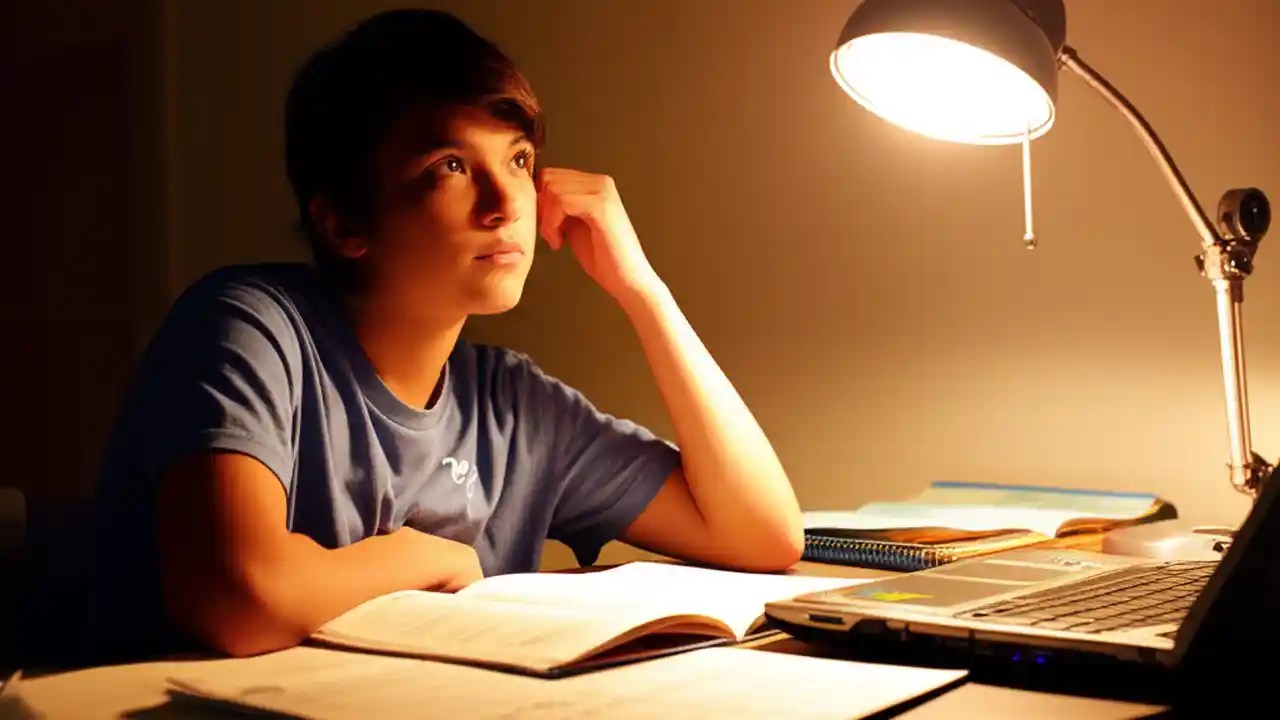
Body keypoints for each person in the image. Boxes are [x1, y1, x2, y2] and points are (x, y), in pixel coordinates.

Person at [86, 7, 802, 662]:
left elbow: (763, 537)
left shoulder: (514, 407)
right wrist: (424, 558)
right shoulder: (250, 327)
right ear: (343, 222)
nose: (504, 205)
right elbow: (236, 598)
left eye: (518, 160)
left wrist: (642, 289)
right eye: (450, 167)